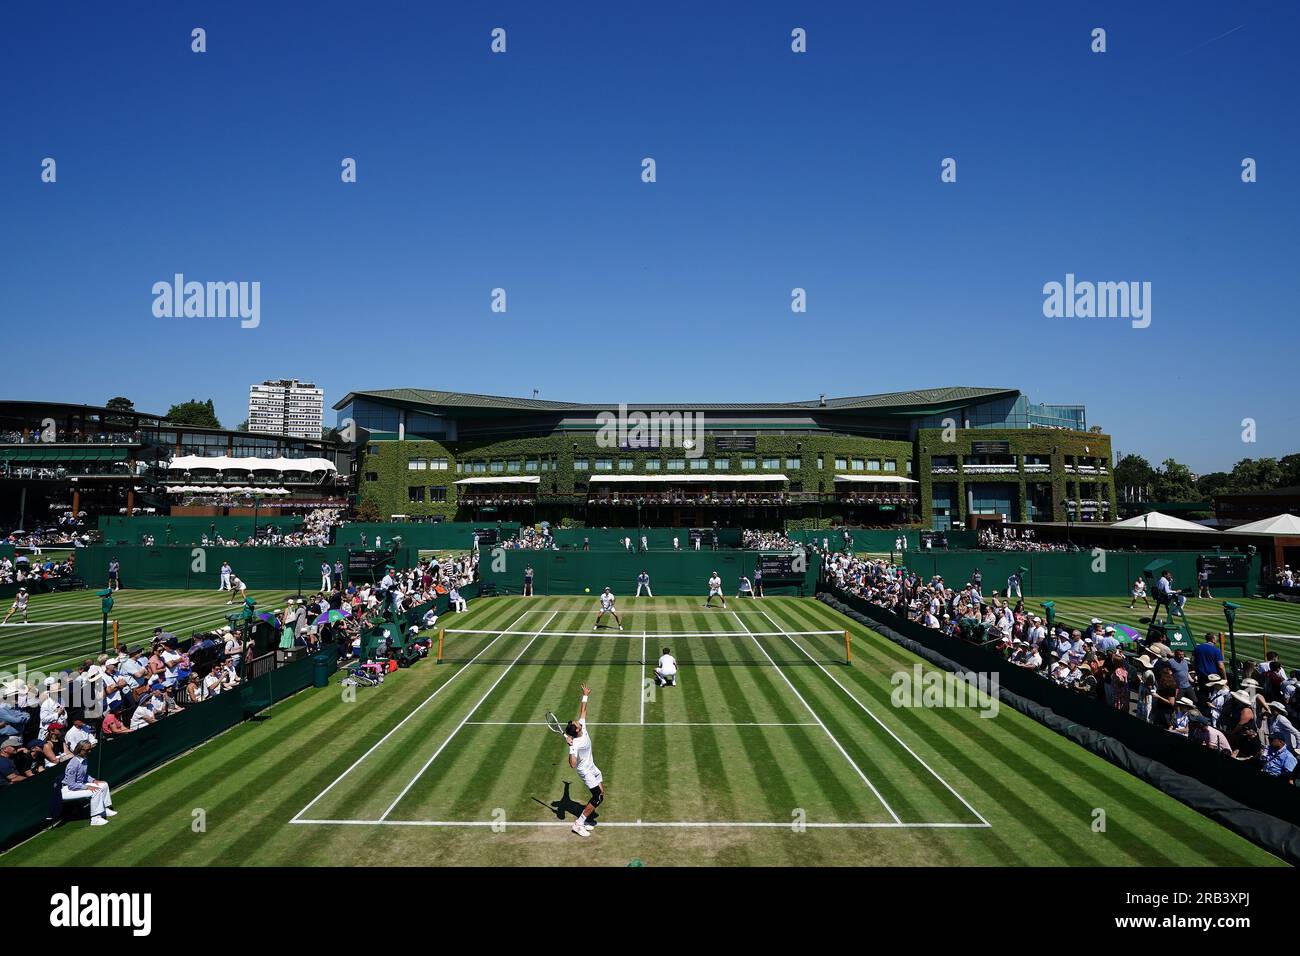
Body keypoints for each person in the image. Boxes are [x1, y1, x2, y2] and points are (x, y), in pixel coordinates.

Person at [563, 684, 605, 838]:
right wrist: (570, 747)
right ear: (577, 730)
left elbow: (583, 710)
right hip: (584, 770)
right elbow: (573, 765)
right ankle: (578, 824)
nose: (578, 721)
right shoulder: (575, 744)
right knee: (597, 797)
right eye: (576, 723)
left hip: (592, 766)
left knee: (602, 794)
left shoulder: (582, 727)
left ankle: (584, 819)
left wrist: (585, 695)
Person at [61, 741, 117, 825]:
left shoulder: (84, 759)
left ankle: (105, 809)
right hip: (68, 790)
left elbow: (84, 775)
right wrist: (87, 787)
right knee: (95, 791)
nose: (89, 751)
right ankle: (95, 818)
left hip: (79, 785)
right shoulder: (73, 764)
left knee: (104, 785)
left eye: (90, 749)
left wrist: (94, 781)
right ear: (80, 750)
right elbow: (71, 785)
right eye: (87, 750)